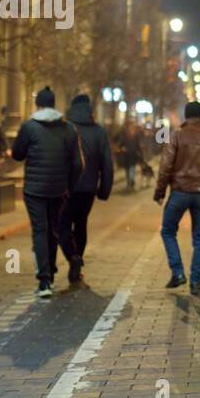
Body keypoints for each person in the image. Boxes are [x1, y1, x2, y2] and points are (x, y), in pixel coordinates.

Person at [11, 87, 82, 299]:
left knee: (40, 231)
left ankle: (45, 280)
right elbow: (77, 163)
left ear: (38, 105)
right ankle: (50, 270)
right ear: (54, 104)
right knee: (53, 230)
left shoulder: (29, 127)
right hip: (58, 189)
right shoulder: (68, 129)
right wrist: (69, 184)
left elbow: (17, 154)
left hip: (34, 190)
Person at [154, 101, 200, 296]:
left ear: (186, 116)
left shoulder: (176, 136)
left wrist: (160, 192)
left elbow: (165, 168)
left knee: (168, 231)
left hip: (179, 192)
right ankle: (196, 282)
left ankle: (177, 272)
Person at [59, 94, 114, 286]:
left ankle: (73, 258)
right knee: (81, 224)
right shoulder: (99, 132)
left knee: (62, 225)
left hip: (66, 188)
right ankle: (77, 267)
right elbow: (107, 164)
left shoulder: (64, 129)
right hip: (88, 189)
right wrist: (104, 189)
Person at [117, 122, 144, 192]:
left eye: (133, 128)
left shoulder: (136, 136)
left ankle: (131, 182)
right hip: (126, 156)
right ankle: (129, 183)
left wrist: (140, 153)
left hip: (133, 156)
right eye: (130, 128)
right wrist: (122, 148)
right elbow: (120, 145)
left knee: (132, 169)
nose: (132, 129)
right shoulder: (125, 136)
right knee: (127, 170)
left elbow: (138, 146)